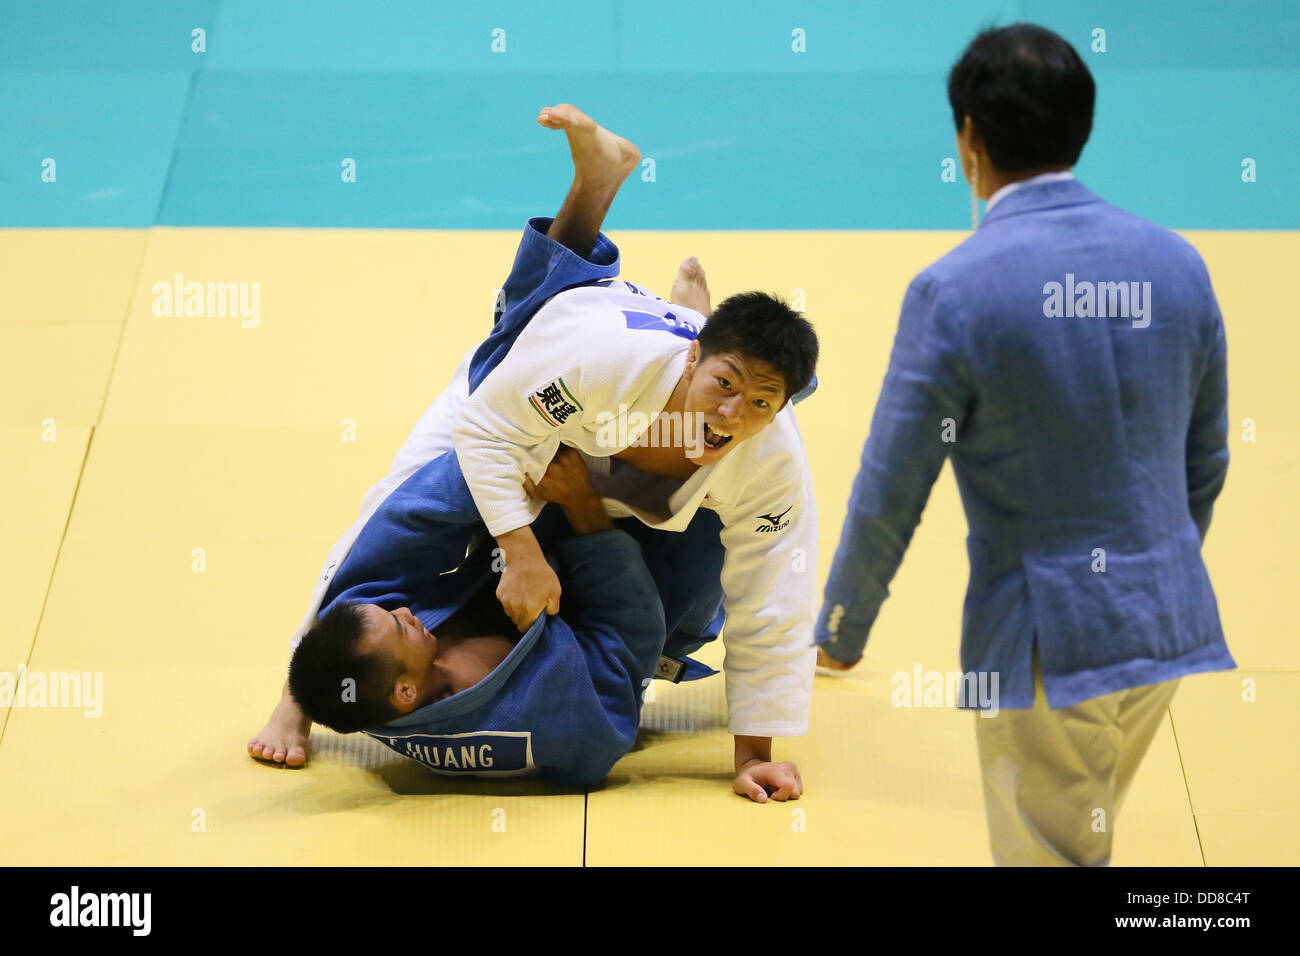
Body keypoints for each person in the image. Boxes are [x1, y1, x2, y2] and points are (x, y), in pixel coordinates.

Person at [251, 103, 814, 801]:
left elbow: (774, 595)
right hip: (558, 382)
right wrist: (535, 538)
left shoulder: (767, 459)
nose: (739, 414)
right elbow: (488, 435)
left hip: (578, 372)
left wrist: (754, 750)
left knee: (493, 411)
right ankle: (298, 695)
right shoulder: (603, 362)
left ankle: (660, 273)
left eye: (765, 401)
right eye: (730, 386)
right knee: (433, 476)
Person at [815, 24, 1233, 864]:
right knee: (1080, 844)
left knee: (1048, 856)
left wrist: (842, 624)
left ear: (969, 139)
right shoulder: (1178, 262)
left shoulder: (956, 289)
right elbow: (1208, 456)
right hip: (1170, 621)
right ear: (1083, 124)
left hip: (1051, 635)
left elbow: (893, 480)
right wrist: (1159, 573)